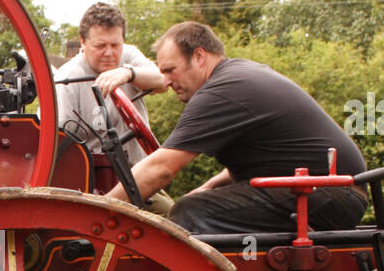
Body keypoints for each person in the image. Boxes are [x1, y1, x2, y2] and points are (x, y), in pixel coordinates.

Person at [104, 21, 368, 235]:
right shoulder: (236, 76)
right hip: (330, 192)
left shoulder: (221, 92)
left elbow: (160, 169)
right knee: (198, 202)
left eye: (171, 70)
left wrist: (100, 209)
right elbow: (264, 158)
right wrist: (208, 187)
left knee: (192, 212)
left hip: (331, 194)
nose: (166, 81)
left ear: (199, 56)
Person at [54, 2, 167, 166]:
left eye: (115, 45)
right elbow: (57, 142)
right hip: (95, 178)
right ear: (82, 42)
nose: (109, 53)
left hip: (140, 171)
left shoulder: (128, 56)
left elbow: (163, 82)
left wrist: (129, 73)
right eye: (100, 46)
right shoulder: (66, 79)